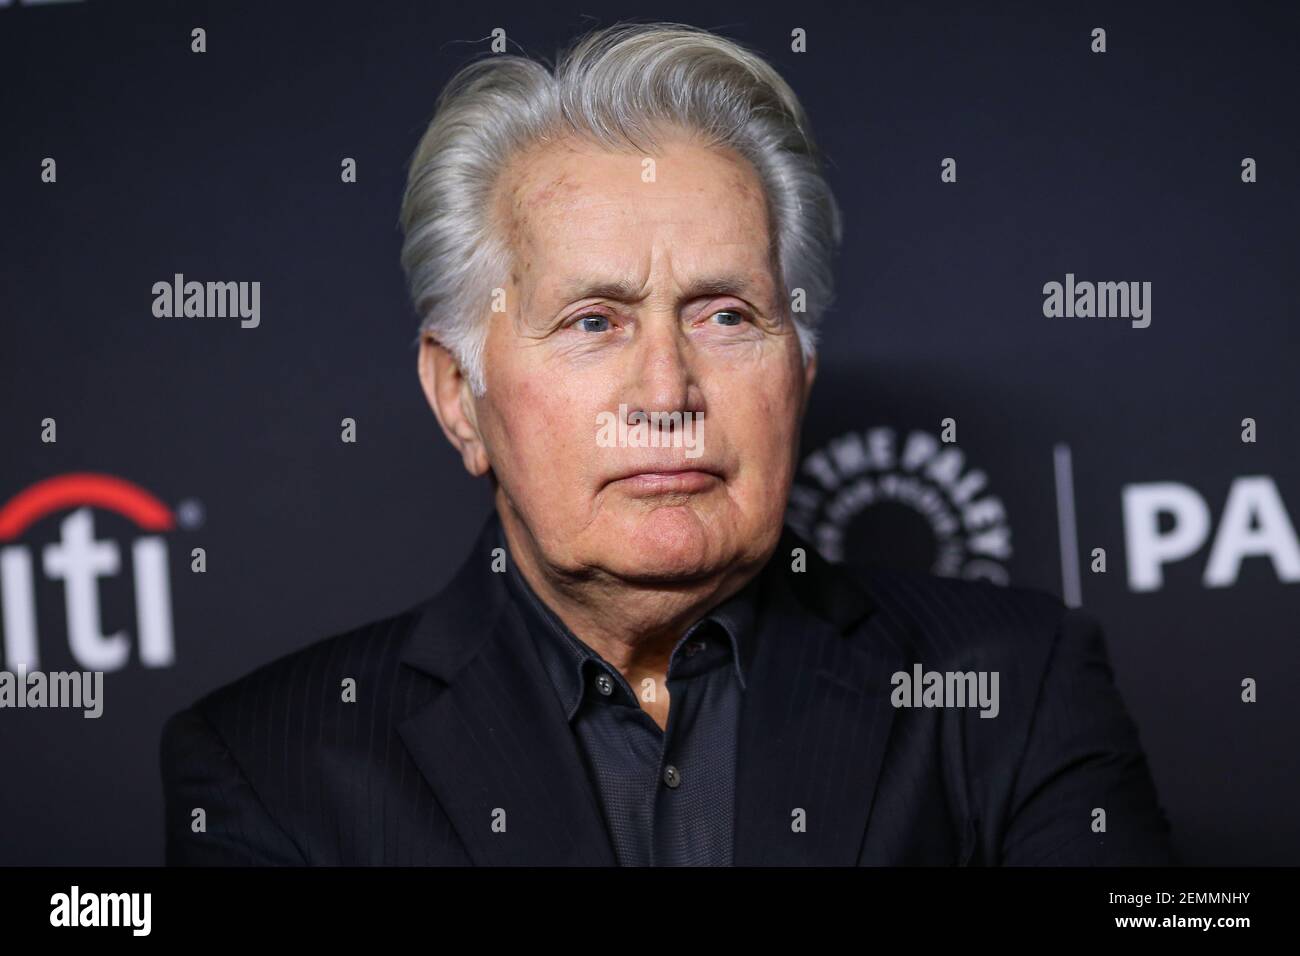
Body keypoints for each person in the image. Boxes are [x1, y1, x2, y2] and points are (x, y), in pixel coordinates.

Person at [160, 21, 1175, 866]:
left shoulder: (1014, 685)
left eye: (726, 316)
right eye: (593, 321)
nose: (665, 392)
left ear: (800, 371)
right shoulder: (270, 763)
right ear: (459, 397)